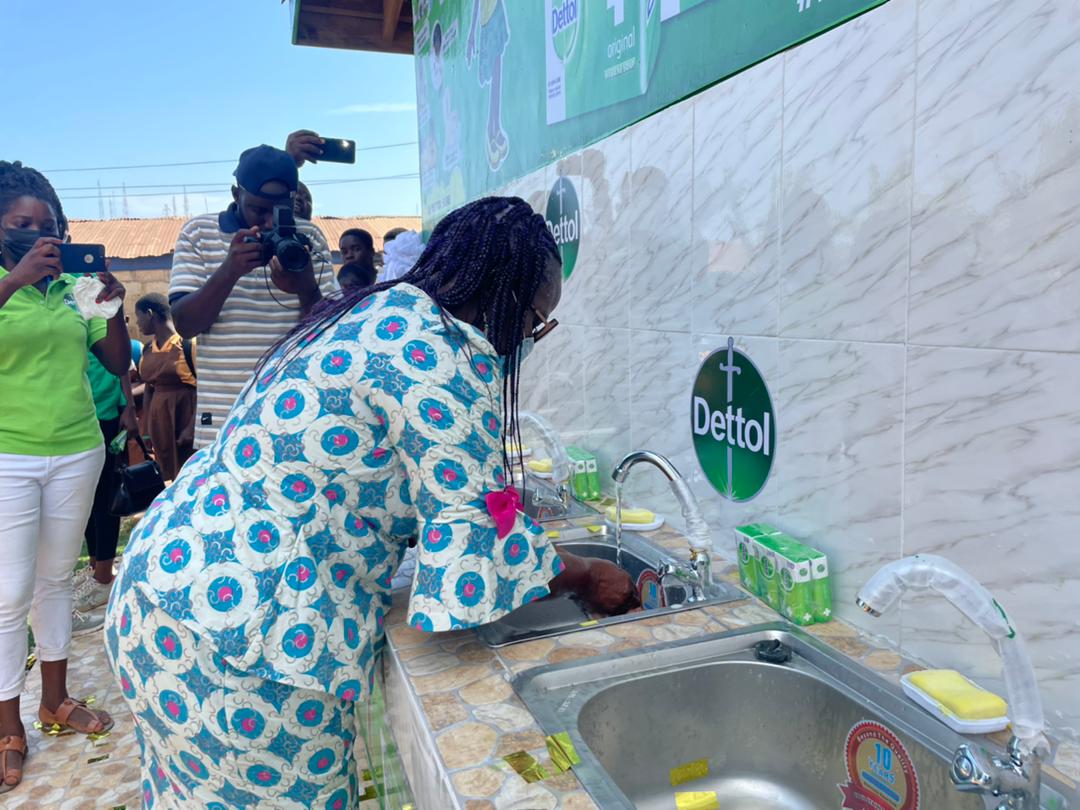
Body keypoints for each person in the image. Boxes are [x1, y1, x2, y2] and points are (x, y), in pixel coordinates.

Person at [105, 196, 637, 807]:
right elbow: (479, 551)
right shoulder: (447, 360)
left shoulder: (372, 311)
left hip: (162, 591)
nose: (528, 338)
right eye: (534, 321)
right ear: (506, 298)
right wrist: (586, 575)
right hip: (247, 642)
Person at [0, 161, 128, 792]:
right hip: (7, 455)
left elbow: (114, 358)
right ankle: (7, 728)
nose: (35, 233)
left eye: (45, 224)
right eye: (20, 224)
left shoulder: (72, 287)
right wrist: (14, 280)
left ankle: (54, 701)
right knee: (8, 594)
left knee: (56, 580)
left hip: (79, 448)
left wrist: (112, 305)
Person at [169, 145, 337, 448]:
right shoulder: (198, 233)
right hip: (225, 417)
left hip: (296, 414)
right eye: (258, 210)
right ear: (236, 194)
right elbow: (185, 324)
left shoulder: (309, 237)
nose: (270, 221)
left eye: (279, 210)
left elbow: (333, 334)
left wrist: (305, 288)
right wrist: (229, 271)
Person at [71, 350, 139, 633]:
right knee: (83, 499)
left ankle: (104, 578)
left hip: (105, 412)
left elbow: (121, 364)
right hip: (75, 414)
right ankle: (97, 565)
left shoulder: (96, 311)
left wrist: (129, 407)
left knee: (103, 495)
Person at [134, 293, 197, 481]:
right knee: (167, 471)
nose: (137, 323)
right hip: (160, 418)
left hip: (184, 414)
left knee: (189, 469)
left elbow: (204, 388)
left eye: (139, 316)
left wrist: (192, 427)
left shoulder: (187, 344)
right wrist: (146, 429)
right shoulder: (147, 349)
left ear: (150, 313)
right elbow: (149, 388)